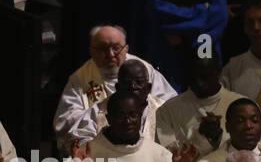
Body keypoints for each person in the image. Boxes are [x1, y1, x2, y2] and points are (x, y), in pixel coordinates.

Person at [54, 24, 177, 154]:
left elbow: (172, 107)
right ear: (91, 50)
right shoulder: (80, 79)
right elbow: (64, 123)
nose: (110, 54)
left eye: (116, 48)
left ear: (126, 48)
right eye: (102, 49)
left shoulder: (144, 70)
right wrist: (100, 115)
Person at [156, 52, 245, 156]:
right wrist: (202, 138)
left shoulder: (243, 106)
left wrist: (216, 137)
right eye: (193, 77)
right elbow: (166, 158)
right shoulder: (167, 111)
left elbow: (257, 154)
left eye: (205, 76)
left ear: (219, 71)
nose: (199, 83)